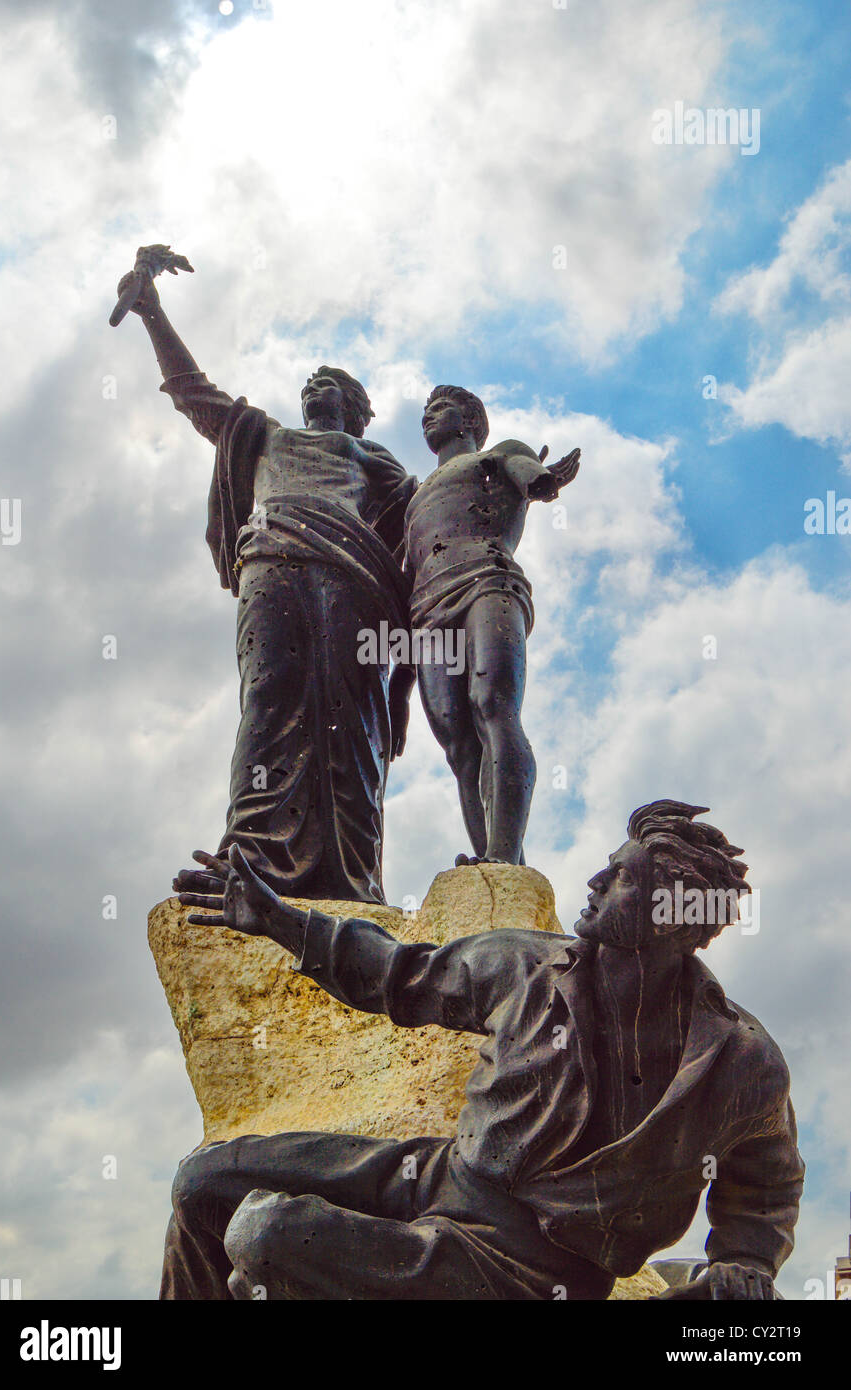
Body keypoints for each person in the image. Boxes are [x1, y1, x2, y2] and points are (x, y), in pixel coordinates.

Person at [162, 800, 804, 1300]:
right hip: (439, 1175)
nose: (597, 878)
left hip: (529, 1268)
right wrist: (280, 920)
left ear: (673, 911)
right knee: (203, 1184)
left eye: (623, 877)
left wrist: (745, 1260)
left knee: (264, 1236)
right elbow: (400, 976)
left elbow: (764, 1183)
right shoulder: (527, 965)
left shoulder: (739, 1060)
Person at [118, 258, 416, 902]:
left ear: (357, 409)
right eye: (309, 382)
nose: (312, 388)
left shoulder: (371, 459)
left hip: (355, 580)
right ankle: (251, 856)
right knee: (271, 697)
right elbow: (193, 393)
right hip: (273, 563)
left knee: (349, 716)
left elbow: (423, 536)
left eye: (327, 383)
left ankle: (352, 874)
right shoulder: (263, 436)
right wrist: (151, 311)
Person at [403, 385, 580, 865]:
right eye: (425, 410)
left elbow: (531, 475)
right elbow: (404, 569)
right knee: (457, 742)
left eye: (441, 408)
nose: (429, 416)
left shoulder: (501, 453)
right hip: (426, 610)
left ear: (470, 420)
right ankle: (490, 859)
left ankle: (505, 855)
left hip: (487, 580)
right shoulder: (415, 496)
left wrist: (542, 479)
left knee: (492, 703)